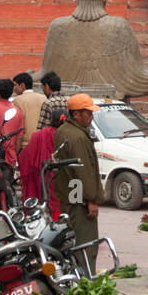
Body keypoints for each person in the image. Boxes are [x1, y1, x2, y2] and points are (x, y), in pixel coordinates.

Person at [53, 93, 104, 263]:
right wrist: (91, 200)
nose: (91, 116)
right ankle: (84, 280)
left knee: (70, 241)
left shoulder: (63, 130)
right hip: (79, 199)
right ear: (76, 114)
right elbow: (84, 172)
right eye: (88, 113)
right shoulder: (78, 137)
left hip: (69, 195)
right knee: (85, 244)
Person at [19, 107, 64, 219]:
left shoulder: (39, 135)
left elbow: (25, 157)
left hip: (41, 176)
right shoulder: (68, 136)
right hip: (60, 178)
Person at [12, 72, 44, 148]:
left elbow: (17, 125)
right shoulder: (43, 98)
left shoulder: (17, 100)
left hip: (25, 144)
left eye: (15, 85)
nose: (14, 88)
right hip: (41, 142)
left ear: (22, 85)